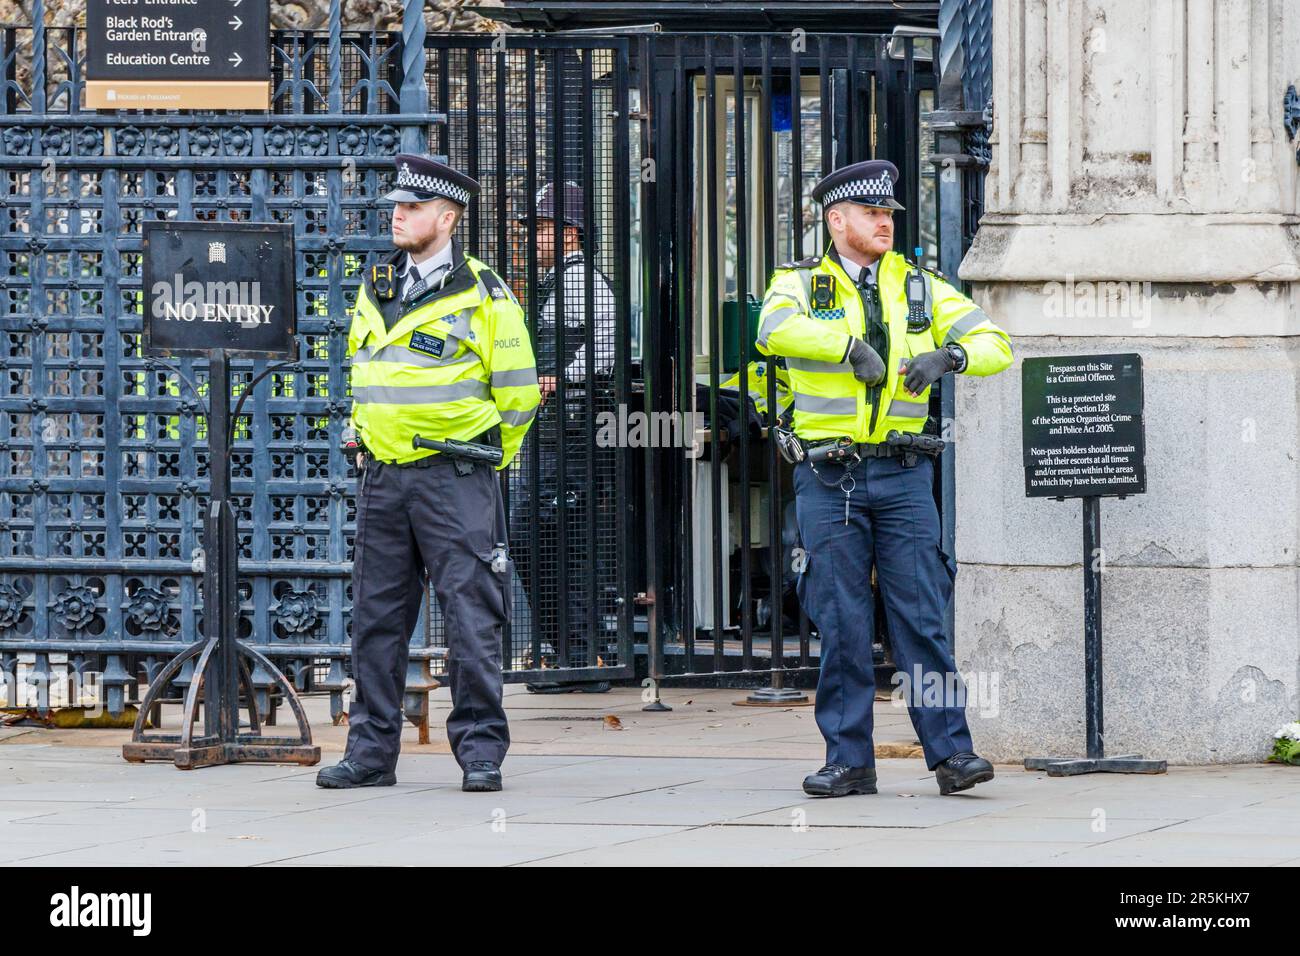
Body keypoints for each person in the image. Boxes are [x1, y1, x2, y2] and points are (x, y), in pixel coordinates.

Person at [755, 159, 1013, 797]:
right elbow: (771, 331)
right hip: (829, 473)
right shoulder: (798, 284)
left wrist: (948, 354)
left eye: (889, 214)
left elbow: (996, 344)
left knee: (921, 616)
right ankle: (849, 761)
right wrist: (847, 346)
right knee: (840, 619)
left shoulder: (920, 287)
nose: (884, 223)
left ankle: (952, 755)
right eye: (871, 214)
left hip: (902, 473)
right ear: (835, 219)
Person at [316, 154, 541, 793]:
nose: (397, 215)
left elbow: (520, 393)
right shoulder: (378, 282)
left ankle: (479, 753)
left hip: (455, 476)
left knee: (471, 616)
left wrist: (489, 455)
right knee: (377, 618)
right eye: (396, 206)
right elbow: (367, 370)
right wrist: (362, 433)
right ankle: (369, 754)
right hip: (384, 477)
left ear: (446, 218)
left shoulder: (485, 293)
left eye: (411, 208)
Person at [511, 181, 618, 691]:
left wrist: (560, 378)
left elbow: (606, 346)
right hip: (550, 428)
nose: (533, 236)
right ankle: (567, 649)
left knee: (554, 537)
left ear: (570, 233)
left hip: (568, 430)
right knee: (540, 536)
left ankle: (580, 653)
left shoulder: (583, 284)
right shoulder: (556, 281)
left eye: (542, 227)